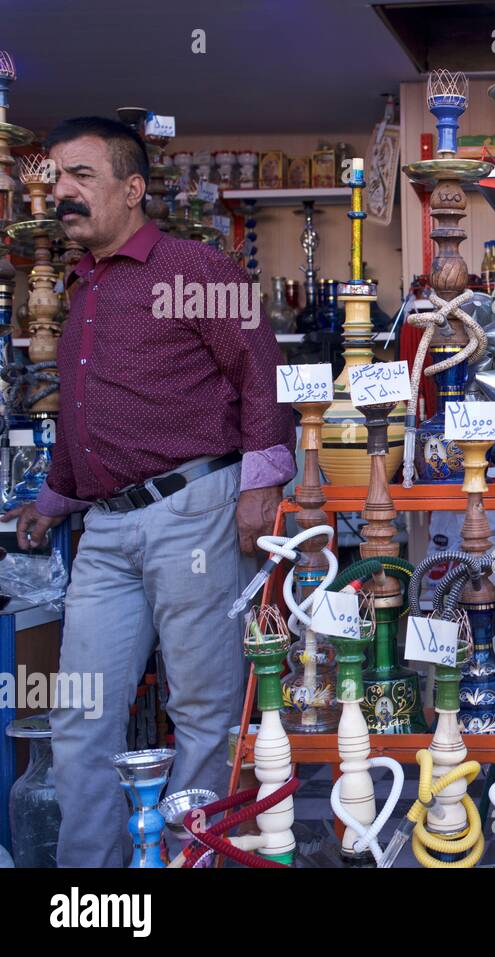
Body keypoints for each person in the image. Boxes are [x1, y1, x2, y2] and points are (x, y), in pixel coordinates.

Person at [2, 116, 294, 867]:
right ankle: (95, 885)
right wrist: (53, 499)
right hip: (105, 527)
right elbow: (83, 408)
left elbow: (259, 366)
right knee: (80, 714)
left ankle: (187, 860)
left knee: (202, 712)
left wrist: (261, 479)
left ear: (133, 190)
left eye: (81, 177)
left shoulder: (191, 268)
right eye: (57, 178)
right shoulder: (83, 285)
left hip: (192, 510)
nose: (62, 192)